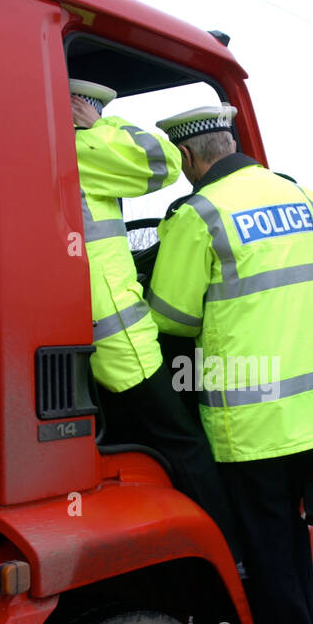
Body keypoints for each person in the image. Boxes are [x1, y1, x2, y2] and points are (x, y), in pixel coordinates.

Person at [147, 104, 313, 624]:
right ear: (231, 141)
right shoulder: (310, 203)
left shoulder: (199, 215)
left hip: (251, 419)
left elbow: (170, 319)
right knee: (290, 540)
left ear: (188, 158)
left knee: (264, 550)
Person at [70, 80, 243, 563]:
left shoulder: (42, 152)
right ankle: (229, 551)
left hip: (78, 330)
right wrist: (101, 125)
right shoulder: (81, 147)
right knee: (184, 443)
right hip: (116, 332)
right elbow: (161, 159)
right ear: (81, 112)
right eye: (93, 110)